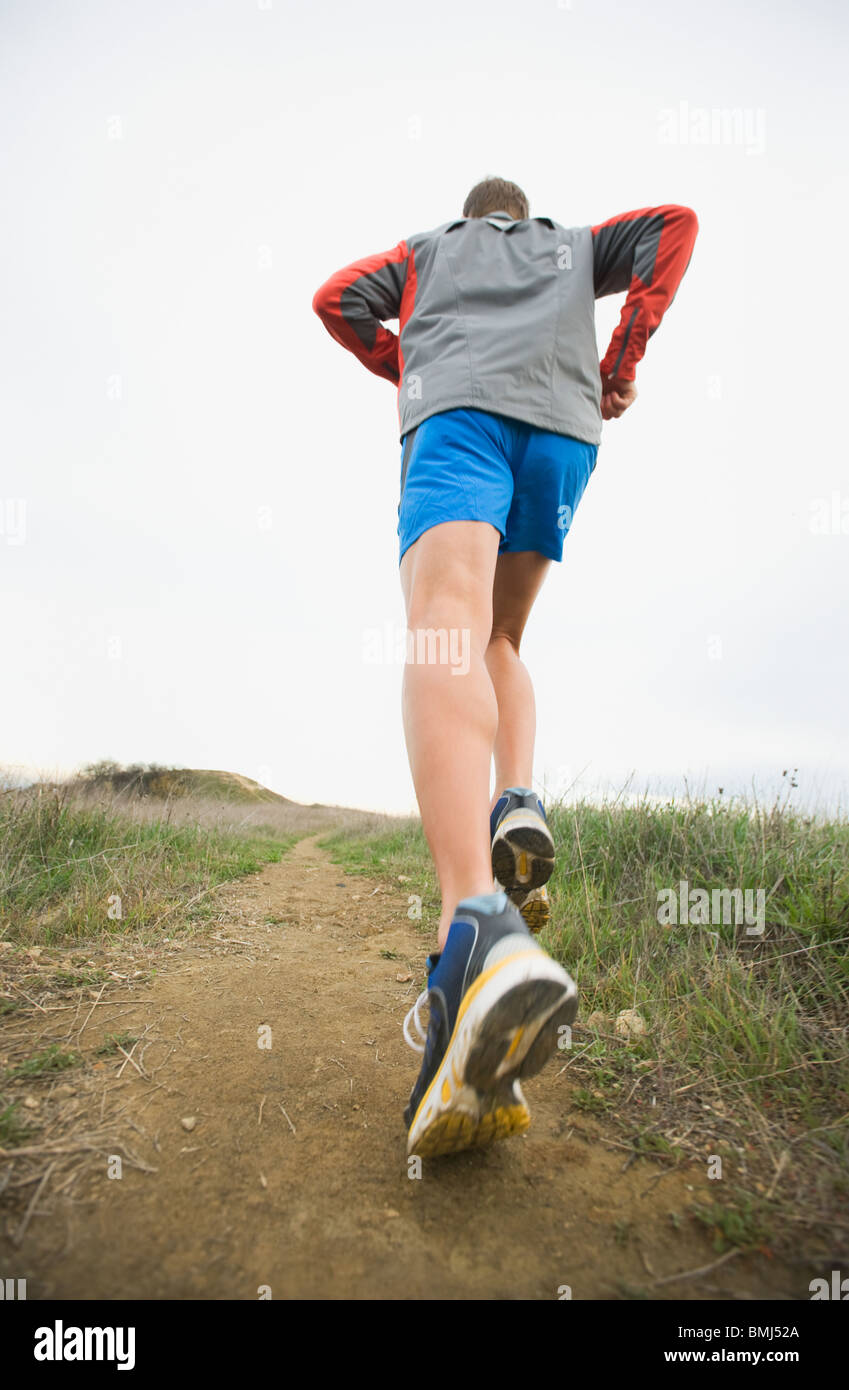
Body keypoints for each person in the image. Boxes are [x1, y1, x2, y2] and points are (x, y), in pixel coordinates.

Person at [312, 177, 698, 1158]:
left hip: (461, 421)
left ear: (474, 211)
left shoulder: (429, 249)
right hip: (564, 435)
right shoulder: (573, 244)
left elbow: (335, 298)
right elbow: (671, 229)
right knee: (500, 640)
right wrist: (619, 360)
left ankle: (473, 927)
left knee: (444, 620)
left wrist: (411, 364)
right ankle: (515, 798)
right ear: (523, 212)